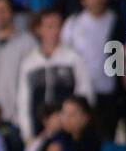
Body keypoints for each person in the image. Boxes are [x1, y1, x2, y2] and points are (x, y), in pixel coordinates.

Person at [61, 0, 126, 140]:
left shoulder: (116, 20)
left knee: (107, 135)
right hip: (81, 91)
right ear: (83, 0)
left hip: (109, 89)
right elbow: (65, 56)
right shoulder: (73, 23)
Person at [16, 8, 93, 141]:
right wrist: (27, 133)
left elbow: (85, 94)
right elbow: (23, 101)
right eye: (50, 26)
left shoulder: (73, 59)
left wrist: (71, 122)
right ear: (38, 29)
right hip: (38, 133)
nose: (55, 31)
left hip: (69, 132)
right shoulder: (29, 63)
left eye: (58, 26)